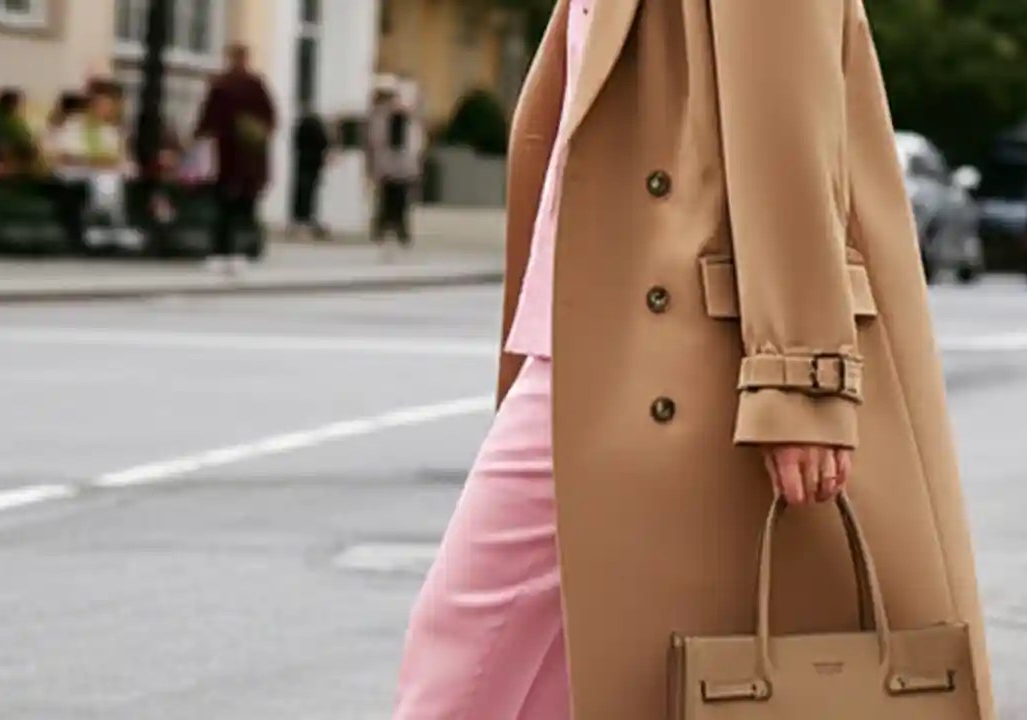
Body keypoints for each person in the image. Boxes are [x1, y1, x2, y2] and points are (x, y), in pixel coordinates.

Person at [392, 0, 996, 719]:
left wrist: (799, 373)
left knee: (471, 639)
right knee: (562, 676)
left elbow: (788, 121)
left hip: (659, 337)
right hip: (595, 330)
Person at [195, 43, 276, 273]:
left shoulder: (222, 84)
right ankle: (241, 250)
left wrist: (197, 138)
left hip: (228, 156)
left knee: (225, 206)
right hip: (247, 158)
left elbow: (207, 119)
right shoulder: (255, 85)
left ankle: (222, 250)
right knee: (243, 208)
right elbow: (270, 119)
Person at [51, 82, 136, 249]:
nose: (105, 109)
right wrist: (95, 161)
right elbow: (65, 155)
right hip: (75, 171)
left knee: (112, 178)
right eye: (101, 104)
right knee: (106, 179)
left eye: (109, 105)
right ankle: (104, 225)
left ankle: (110, 226)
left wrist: (111, 162)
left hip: (104, 172)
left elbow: (117, 157)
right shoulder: (74, 124)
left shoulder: (111, 129)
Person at [366, 80, 424, 256]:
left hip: (400, 167)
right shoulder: (386, 117)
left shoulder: (405, 120)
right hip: (390, 166)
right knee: (387, 199)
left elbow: (413, 144)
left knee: (398, 200)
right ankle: (385, 228)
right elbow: (377, 142)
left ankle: (395, 229)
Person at [289, 109, 330, 240]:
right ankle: (305, 221)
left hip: (304, 163)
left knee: (302, 192)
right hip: (312, 164)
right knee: (308, 193)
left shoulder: (301, 128)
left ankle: (300, 221)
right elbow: (324, 143)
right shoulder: (315, 129)